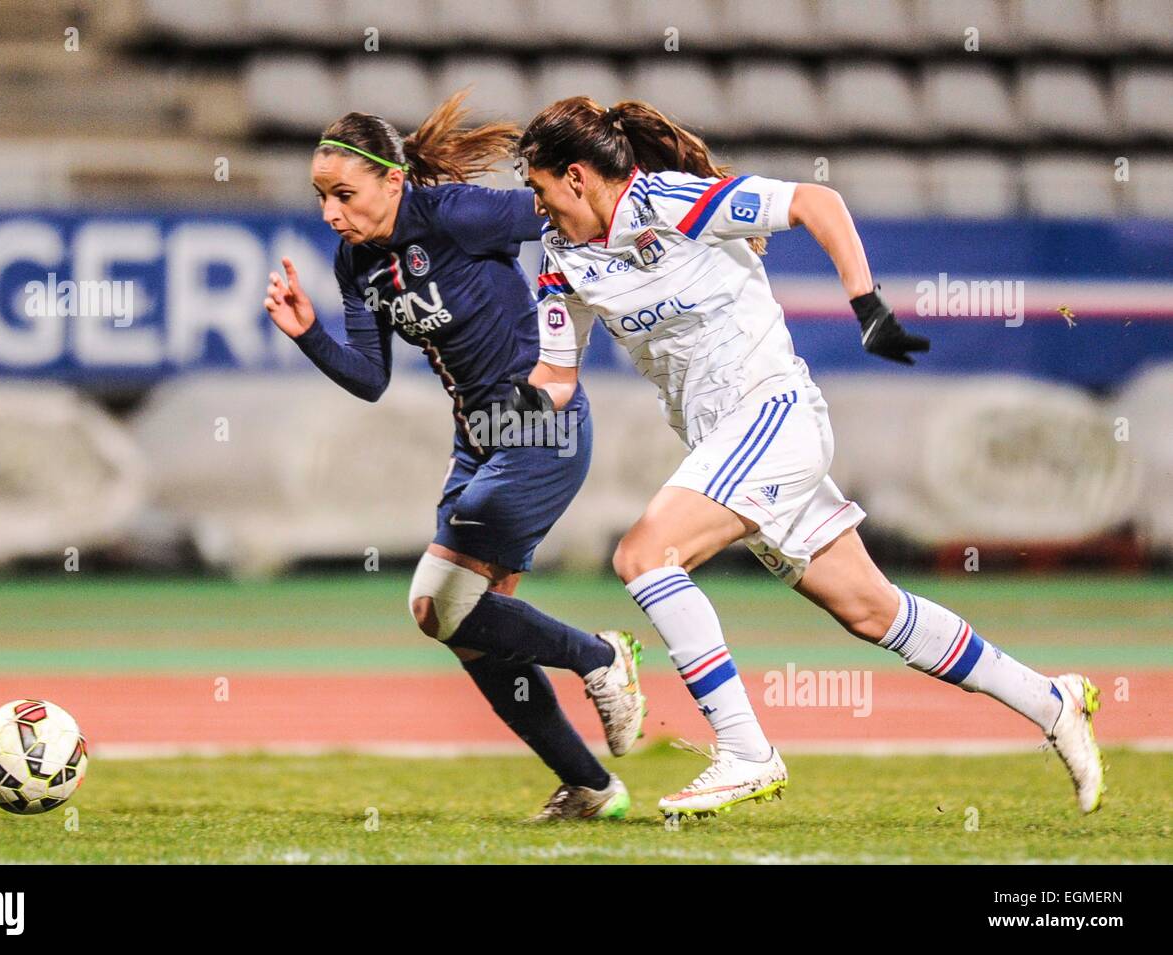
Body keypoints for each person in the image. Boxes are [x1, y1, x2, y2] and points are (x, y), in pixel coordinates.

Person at [509, 96, 1104, 817]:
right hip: (726, 444)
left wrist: (868, 306)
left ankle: (745, 749)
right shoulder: (564, 257)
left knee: (645, 555)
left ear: (576, 176)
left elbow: (818, 201)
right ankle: (1052, 700)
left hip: (772, 415)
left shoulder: (665, 200)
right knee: (871, 608)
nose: (538, 209)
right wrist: (517, 405)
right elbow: (556, 376)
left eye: (540, 190)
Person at [264, 92, 646, 821]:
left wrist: (653, 249)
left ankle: (601, 657)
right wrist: (309, 334)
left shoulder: (457, 215)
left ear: (393, 180)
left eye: (344, 194)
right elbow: (371, 380)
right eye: (320, 197)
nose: (330, 214)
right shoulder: (355, 264)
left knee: (447, 601)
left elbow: (573, 205)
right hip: (476, 438)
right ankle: (591, 788)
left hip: (541, 423)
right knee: (457, 622)